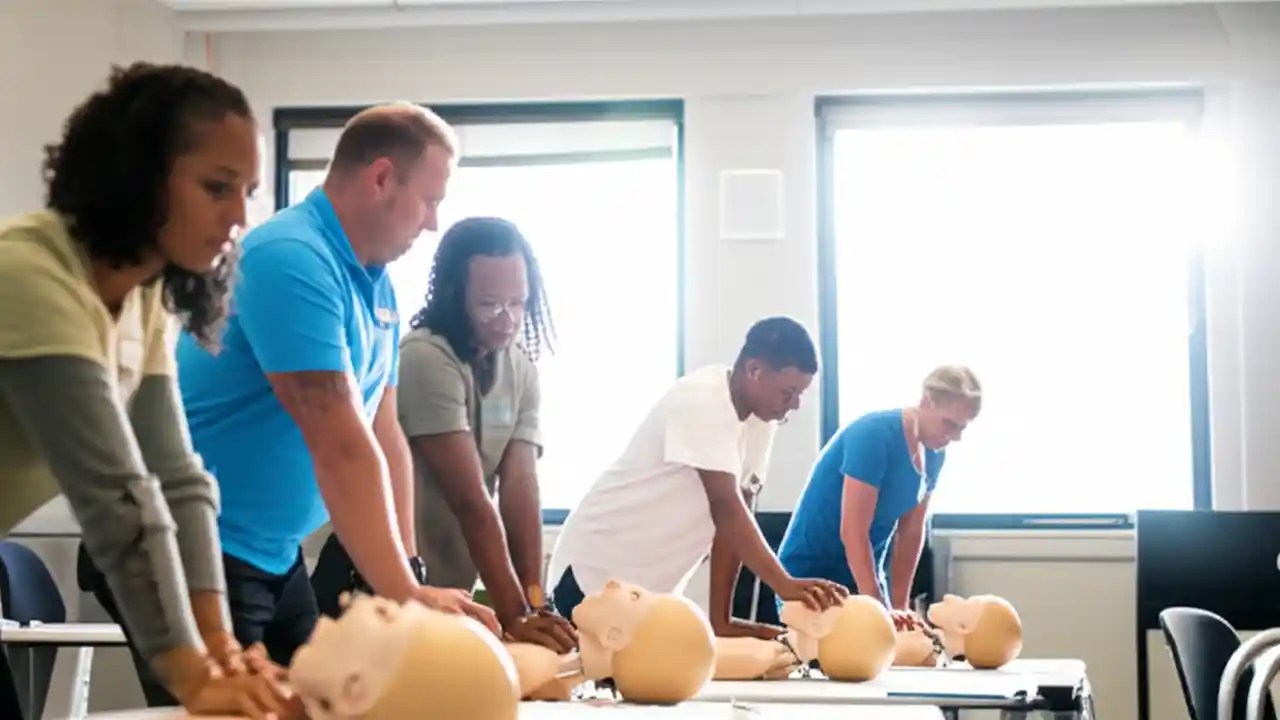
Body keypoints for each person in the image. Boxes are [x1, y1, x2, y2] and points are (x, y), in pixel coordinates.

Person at [119, 102, 496, 679]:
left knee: (332, 700)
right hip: (193, 549)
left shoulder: (379, 287)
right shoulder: (291, 259)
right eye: (430, 199)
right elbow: (338, 440)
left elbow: (382, 431)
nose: (433, 223)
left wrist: (408, 574)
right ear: (381, 178)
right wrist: (403, 595)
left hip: (273, 553)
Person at [0, 62, 290, 719]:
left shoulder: (143, 299)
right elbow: (117, 497)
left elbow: (178, 480)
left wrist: (220, 646)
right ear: (135, 175)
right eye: (218, 187)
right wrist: (190, 675)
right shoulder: (29, 274)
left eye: (247, 190)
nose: (240, 215)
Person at [314, 217, 577, 653]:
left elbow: (519, 489)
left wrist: (535, 604)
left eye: (518, 302)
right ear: (456, 296)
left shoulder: (522, 370)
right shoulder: (425, 358)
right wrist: (514, 617)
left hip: (447, 592)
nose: (506, 319)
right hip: (376, 583)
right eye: (490, 304)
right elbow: (470, 501)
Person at [546, 317, 847, 640]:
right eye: (787, 393)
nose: (795, 405)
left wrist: (721, 621)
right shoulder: (702, 399)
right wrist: (784, 584)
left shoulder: (762, 421)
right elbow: (727, 510)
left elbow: (734, 523)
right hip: (590, 577)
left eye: (799, 394)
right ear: (754, 370)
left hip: (649, 598)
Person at [777, 366, 982, 630]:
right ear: (927, 400)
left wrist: (899, 606)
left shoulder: (934, 453)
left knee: (897, 644)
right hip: (810, 578)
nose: (955, 437)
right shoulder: (873, 435)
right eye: (949, 424)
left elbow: (910, 533)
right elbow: (853, 531)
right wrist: (876, 607)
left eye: (962, 428)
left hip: (863, 578)